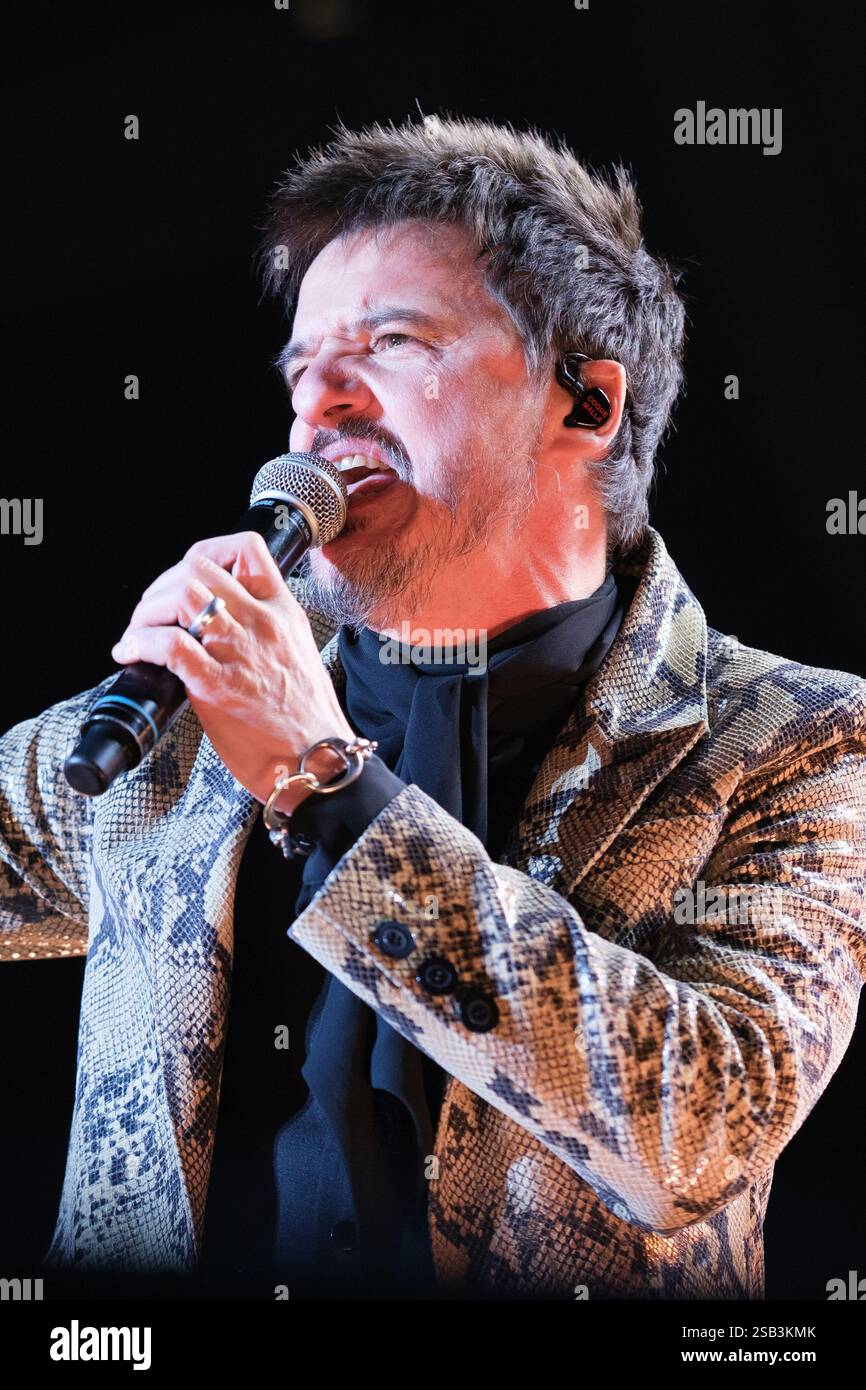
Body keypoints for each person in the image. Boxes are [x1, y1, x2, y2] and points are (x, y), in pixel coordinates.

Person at [1, 115, 864, 1301]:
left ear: (586, 404)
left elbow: (701, 1124)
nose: (321, 406)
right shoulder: (183, 714)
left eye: (391, 344)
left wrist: (323, 774)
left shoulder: (793, 735)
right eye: (303, 369)